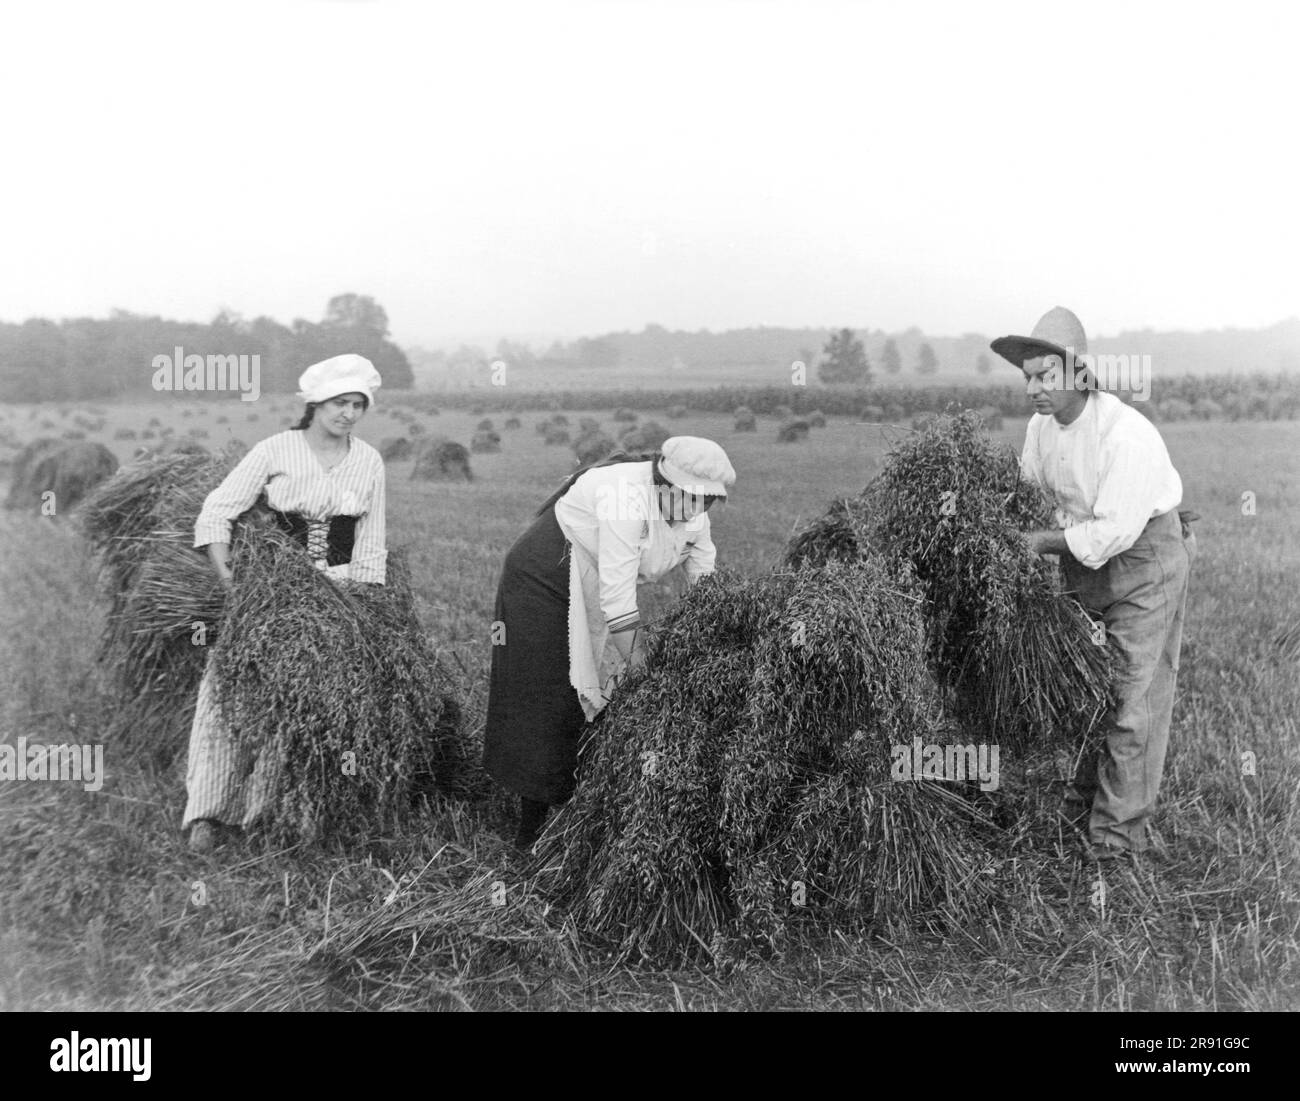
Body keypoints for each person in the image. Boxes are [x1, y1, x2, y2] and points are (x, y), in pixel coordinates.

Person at [991, 307, 1194, 861]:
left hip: (1142, 560)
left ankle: (1115, 842)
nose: (1032, 389)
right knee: (1088, 691)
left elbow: (1109, 534)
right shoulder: (1040, 429)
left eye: (1045, 376)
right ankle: (1083, 806)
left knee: (1132, 700)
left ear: (1078, 374)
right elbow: (1029, 497)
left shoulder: (1125, 435)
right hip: (1083, 564)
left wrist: (1033, 543)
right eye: (1027, 377)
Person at [484, 436, 736, 850]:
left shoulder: (694, 516)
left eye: (707, 502)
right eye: (690, 498)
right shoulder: (626, 498)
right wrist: (647, 681)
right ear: (664, 483)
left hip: (595, 578)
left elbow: (706, 588)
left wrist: (713, 645)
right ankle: (529, 830)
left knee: (603, 686)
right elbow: (619, 600)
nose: (696, 510)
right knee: (551, 691)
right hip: (546, 576)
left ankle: (579, 795)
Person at [183, 354, 387, 853]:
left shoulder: (369, 461)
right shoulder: (276, 449)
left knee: (305, 703)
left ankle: (271, 813)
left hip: (337, 591)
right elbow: (218, 511)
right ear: (316, 403)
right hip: (272, 590)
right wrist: (231, 579)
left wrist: (363, 602)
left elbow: (371, 539)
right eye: (341, 402)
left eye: (358, 405)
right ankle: (208, 814)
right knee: (231, 695)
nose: (349, 414)